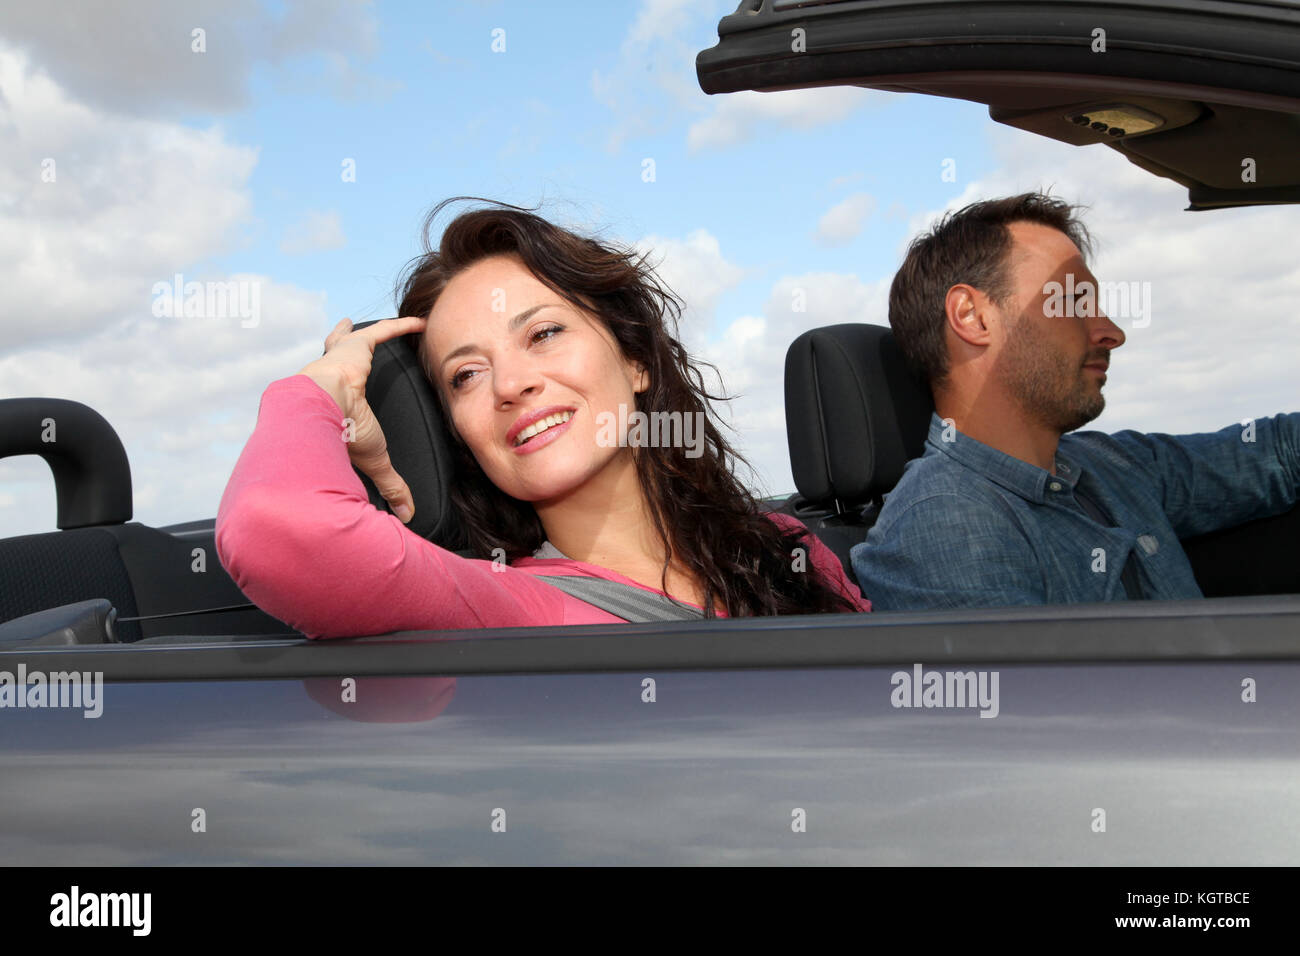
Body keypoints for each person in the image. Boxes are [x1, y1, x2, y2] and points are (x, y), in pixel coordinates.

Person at [216, 199, 869, 638]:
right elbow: (277, 534)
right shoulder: (509, 606)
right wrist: (318, 389)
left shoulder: (789, 548)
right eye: (466, 375)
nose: (512, 384)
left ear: (636, 360)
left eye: (544, 333)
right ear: (462, 439)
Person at [850, 192, 1300, 610]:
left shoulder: (1111, 464)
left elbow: (1278, 454)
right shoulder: (947, 524)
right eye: (1074, 301)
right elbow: (1041, 696)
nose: (1112, 333)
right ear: (973, 317)